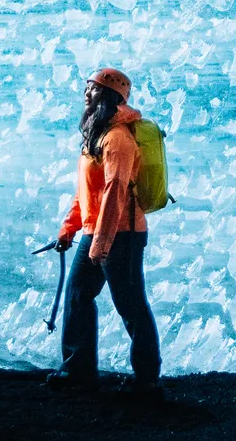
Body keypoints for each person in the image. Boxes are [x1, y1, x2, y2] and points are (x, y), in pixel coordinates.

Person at [46, 67, 162, 394]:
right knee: (79, 294)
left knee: (131, 305)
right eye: (87, 87)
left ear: (111, 97)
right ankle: (78, 372)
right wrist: (69, 230)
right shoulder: (97, 136)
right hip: (98, 232)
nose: (86, 93)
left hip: (120, 235)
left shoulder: (118, 139)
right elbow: (87, 192)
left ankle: (148, 382)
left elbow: (115, 193)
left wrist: (102, 244)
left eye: (93, 88)